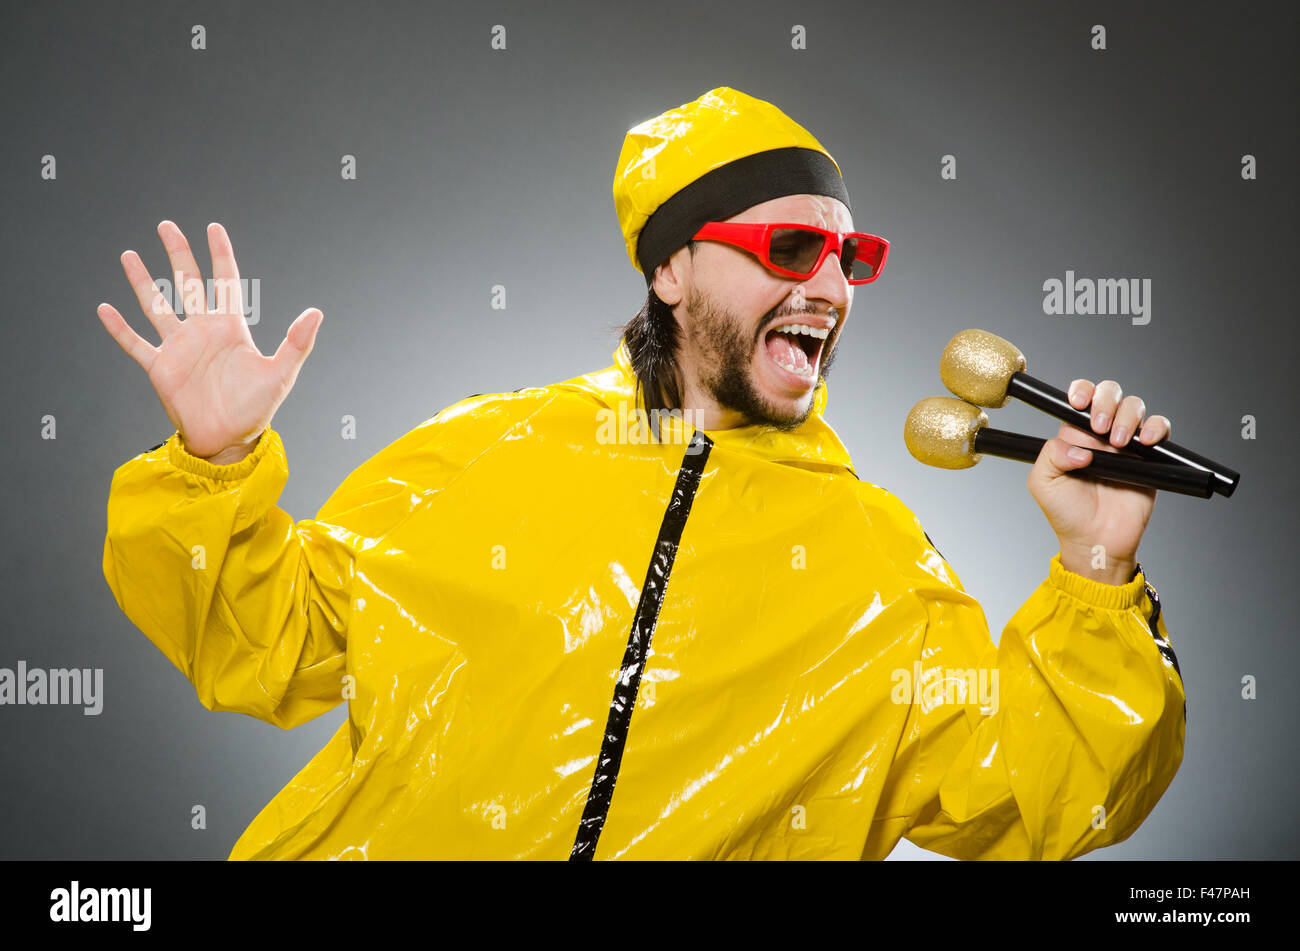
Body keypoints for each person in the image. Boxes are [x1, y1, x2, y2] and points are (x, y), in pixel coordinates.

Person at [98, 86, 1185, 860]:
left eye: (851, 259)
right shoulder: (486, 450)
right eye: (792, 250)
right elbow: (267, 645)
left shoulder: (874, 567)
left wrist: (1094, 569)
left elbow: (1031, 795)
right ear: (670, 267)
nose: (832, 286)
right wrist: (212, 463)